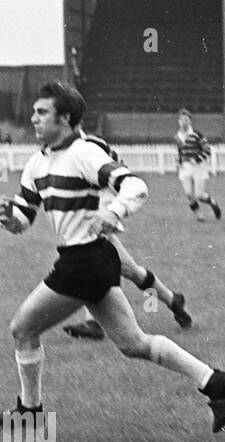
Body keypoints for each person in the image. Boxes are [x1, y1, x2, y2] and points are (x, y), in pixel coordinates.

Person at [0, 82, 225, 434]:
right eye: (34, 112)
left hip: (83, 262)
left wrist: (115, 212)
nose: (33, 119)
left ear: (64, 118)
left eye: (42, 112)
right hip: (93, 259)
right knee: (133, 343)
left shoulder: (83, 153)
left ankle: (30, 413)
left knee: (22, 328)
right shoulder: (36, 163)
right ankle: (215, 381)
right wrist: (10, 219)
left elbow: (135, 186)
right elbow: (24, 217)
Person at [61, 130, 196, 340]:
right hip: (87, 221)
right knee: (131, 271)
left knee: (97, 266)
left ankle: (94, 323)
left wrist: (110, 206)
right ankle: (173, 300)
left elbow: (116, 170)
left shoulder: (89, 144)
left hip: (98, 218)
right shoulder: (61, 149)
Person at [174, 109, 222, 221]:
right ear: (179, 121)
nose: (184, 122)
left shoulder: (197, 134)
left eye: (187, 120)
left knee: (199, 195)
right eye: (182, 120)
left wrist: (197, 159)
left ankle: (212, 202)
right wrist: (179, 161)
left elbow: (207, 149)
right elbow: (180, 151)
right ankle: (199, 216)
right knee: (189, 194)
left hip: (198, 168)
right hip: (185, 168)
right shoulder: (178, 136)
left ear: (190, 121)